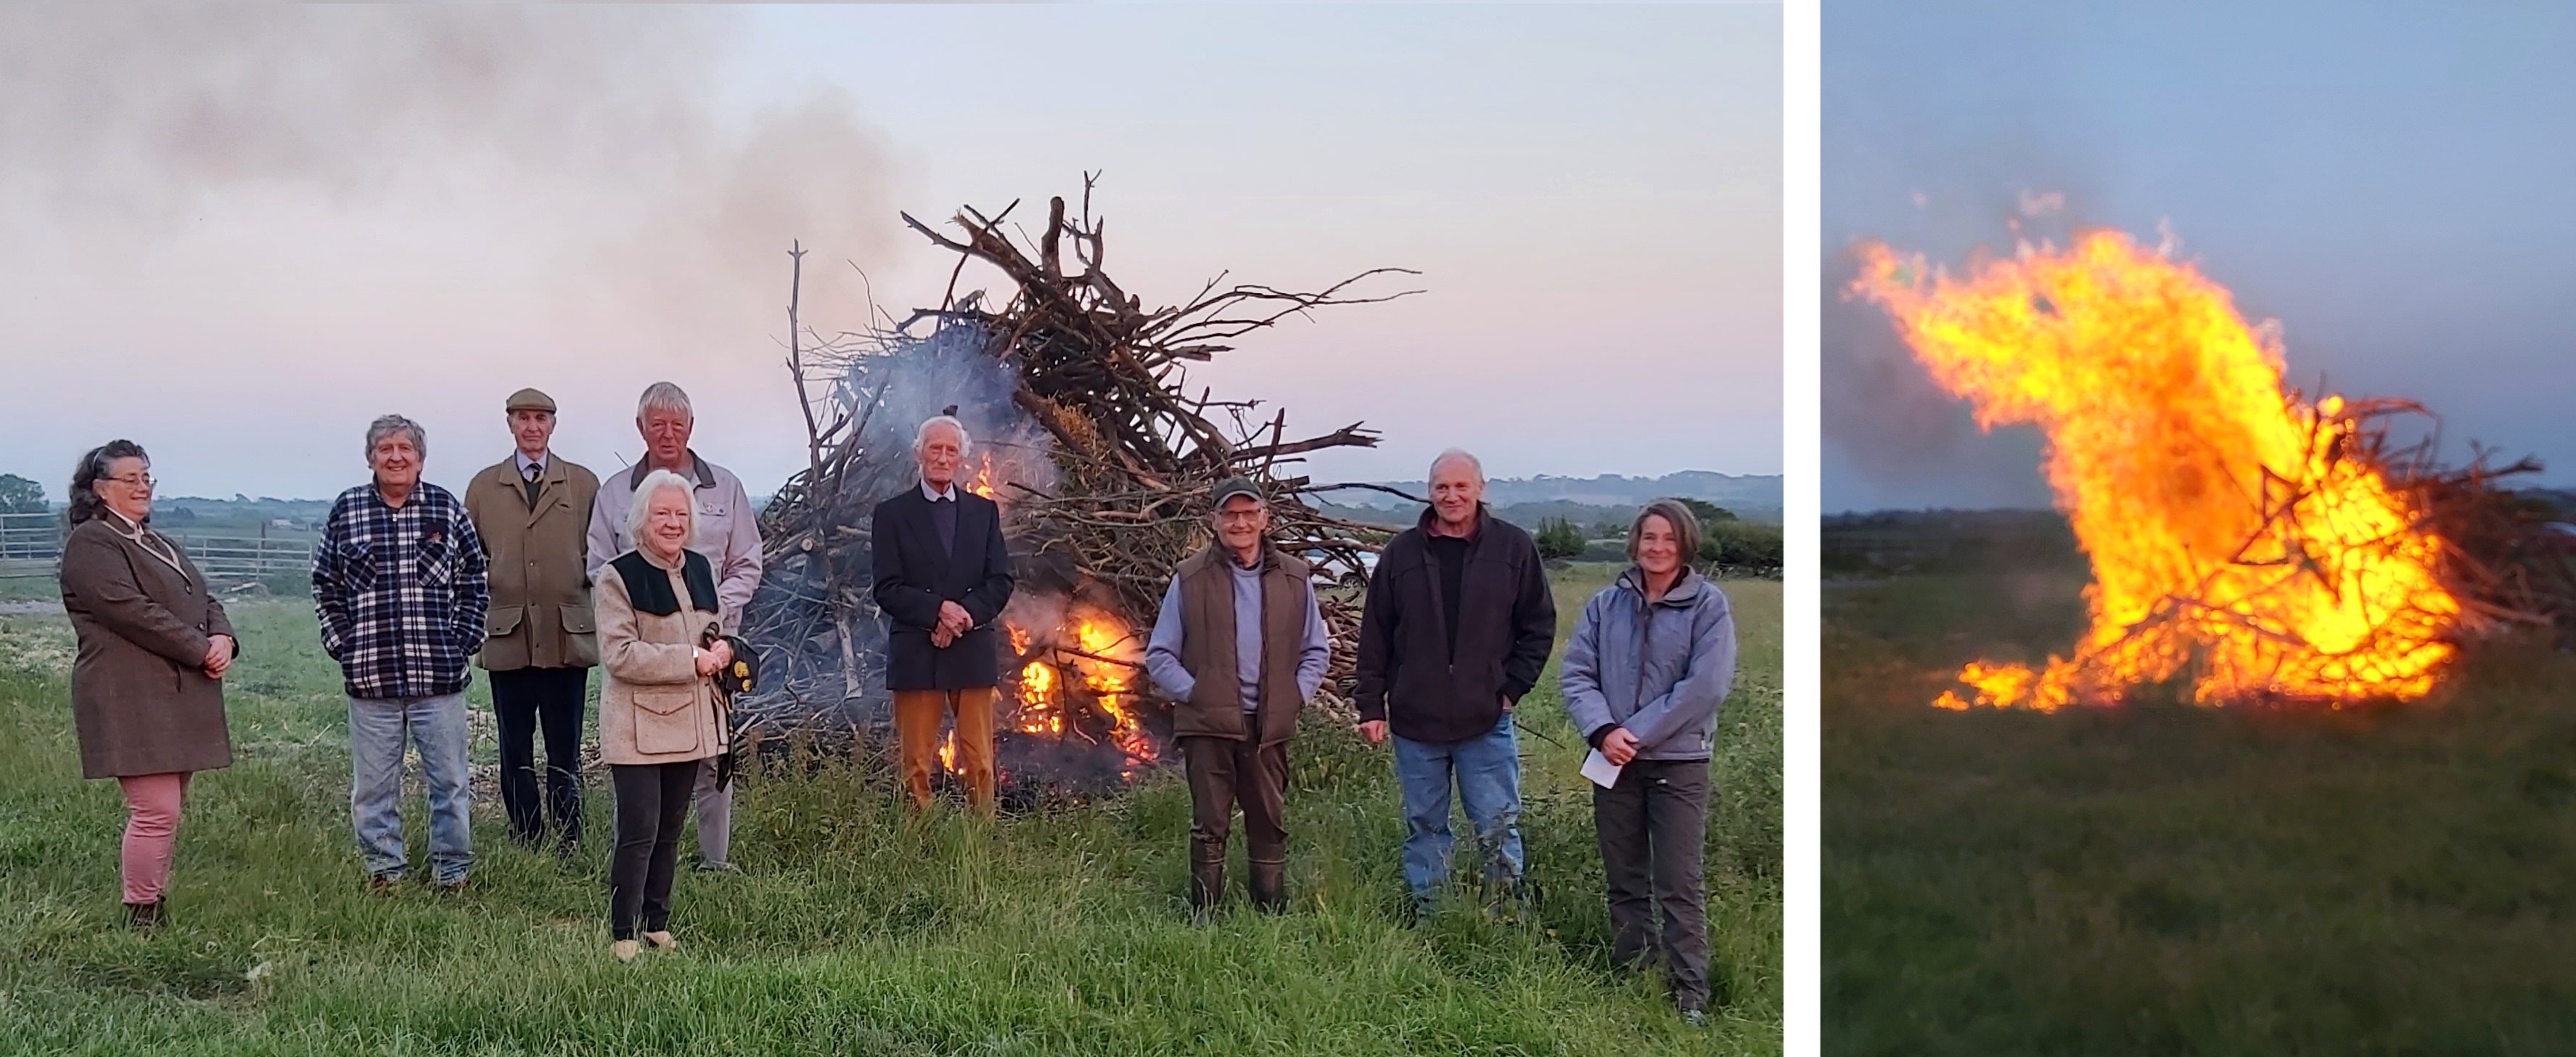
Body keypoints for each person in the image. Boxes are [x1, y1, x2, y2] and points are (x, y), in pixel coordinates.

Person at [1354, 448, 1556, 919]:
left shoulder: (1513, 549)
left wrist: (1510, 691)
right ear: (1429, 492)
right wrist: (1371, 706)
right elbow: (1375, 634)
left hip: (1484, 721)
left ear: (1481, 490)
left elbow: (1538, 626)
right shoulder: (1402, 555)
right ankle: (1434, 915)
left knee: (1497, 824)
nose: (1452, 495)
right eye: (1442, 487)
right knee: (1425, 825)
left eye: (1461, 486)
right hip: (1415, 722)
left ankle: (1505, 917)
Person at [1559, 500, 1736, 1025]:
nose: (1657, 548)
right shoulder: (1604, 605)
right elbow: (1577, 674)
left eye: (1669, 539)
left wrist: (1633, 732)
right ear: (1634, 542)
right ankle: (1636, 973)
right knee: (1625, 877)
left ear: (1685, 545)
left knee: (1679, 882)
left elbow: (1706, 687)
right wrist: (1603, 731)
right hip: (1614, 761)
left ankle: (1690, 994)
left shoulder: (1709, 606)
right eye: (1649, 537)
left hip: (1679, 763)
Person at [58, 441, 237, 930]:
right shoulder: (92, 543)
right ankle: (141, 914)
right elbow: (132, 612)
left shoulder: (155, 541)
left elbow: (202, 595)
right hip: (128, 695)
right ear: (99, 490)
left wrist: (222, 636)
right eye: (130, 479)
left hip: (175, 694)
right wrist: (199, 648)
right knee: (155, 809)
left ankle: (153, 902)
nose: (142, 487)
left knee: (167, 809)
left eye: (147, 478)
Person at [587, 381, 761, 872]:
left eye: (677, 425)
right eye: (657, 424)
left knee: (713, 758)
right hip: (646, 654)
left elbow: (747, 561)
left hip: (712, 656)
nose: (668, 434)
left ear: (691, 428)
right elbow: (600, 564)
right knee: (642, 763)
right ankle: (635, 867)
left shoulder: (725, 487)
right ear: (640, 428)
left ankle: (714, 863)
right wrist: (641, 611)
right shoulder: (615, 492)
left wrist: (712, 616)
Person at [314, 414, 489, 891]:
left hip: (440, 677)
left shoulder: (445, 510)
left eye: (404, 449)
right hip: (371, 679)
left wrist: (465, 641)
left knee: (450, 784)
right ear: (371, 457)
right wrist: (343, 646)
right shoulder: (347, 510)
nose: (395, 457)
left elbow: (475, 580)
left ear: (420, 459)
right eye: (385, 449)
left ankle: (452, 873)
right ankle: (384, 871)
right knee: (374, 788)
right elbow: (326, 585)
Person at [1143, 478, 1332, 914]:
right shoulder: (1190, 578)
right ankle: (1204, 916)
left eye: (1249, 514)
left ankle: (1270, 913)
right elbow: (1160, 653)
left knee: (1268, 822)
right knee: (1210, 825)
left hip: (1268, 726)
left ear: (1265, 519)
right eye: (1230, 515)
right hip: (1208, 727)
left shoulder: (1294, 577)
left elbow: (1316, 650)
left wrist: (1293, 697)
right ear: (1215, 522)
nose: (1240, 523)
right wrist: (1199, 695)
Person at [592, 470, 734, 962]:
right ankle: (623, 933)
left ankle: (656, 923)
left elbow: (710, 624)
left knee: (672, 829)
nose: (672, 523)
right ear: (641, 520)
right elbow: (620, 655)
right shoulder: (617, 575)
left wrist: (720, 645)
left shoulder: (699, 567)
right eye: (662, 514)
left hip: (689, 724)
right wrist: (692, 661)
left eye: (680, 514)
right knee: (639, 832)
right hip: (637, 728)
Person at [464, 388, 601, 857]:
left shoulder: (582, 484)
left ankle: (568, 839)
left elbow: (600, 553)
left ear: (553, 425)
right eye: (522, 418)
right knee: (513, 747)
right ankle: (525, 836)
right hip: (509, 637)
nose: (532, 427)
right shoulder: (484, 488)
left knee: (565, 747)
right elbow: (469, 560)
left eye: (540, 418)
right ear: (509, 424)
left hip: (567, 636)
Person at [870, 415, 1014, 815]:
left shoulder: (983, 513)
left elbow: (1000, 580)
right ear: (919, 453)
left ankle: (979, 850)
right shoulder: (892, 515)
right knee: (915, 765)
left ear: (962, 459)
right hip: (917, 653)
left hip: (971, 651)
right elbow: (887, 587)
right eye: (935, 448)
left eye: (952, 450)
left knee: (981, 763)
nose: (943, 457)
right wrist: (937, 612)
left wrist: (963, 616)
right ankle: (919, 851)